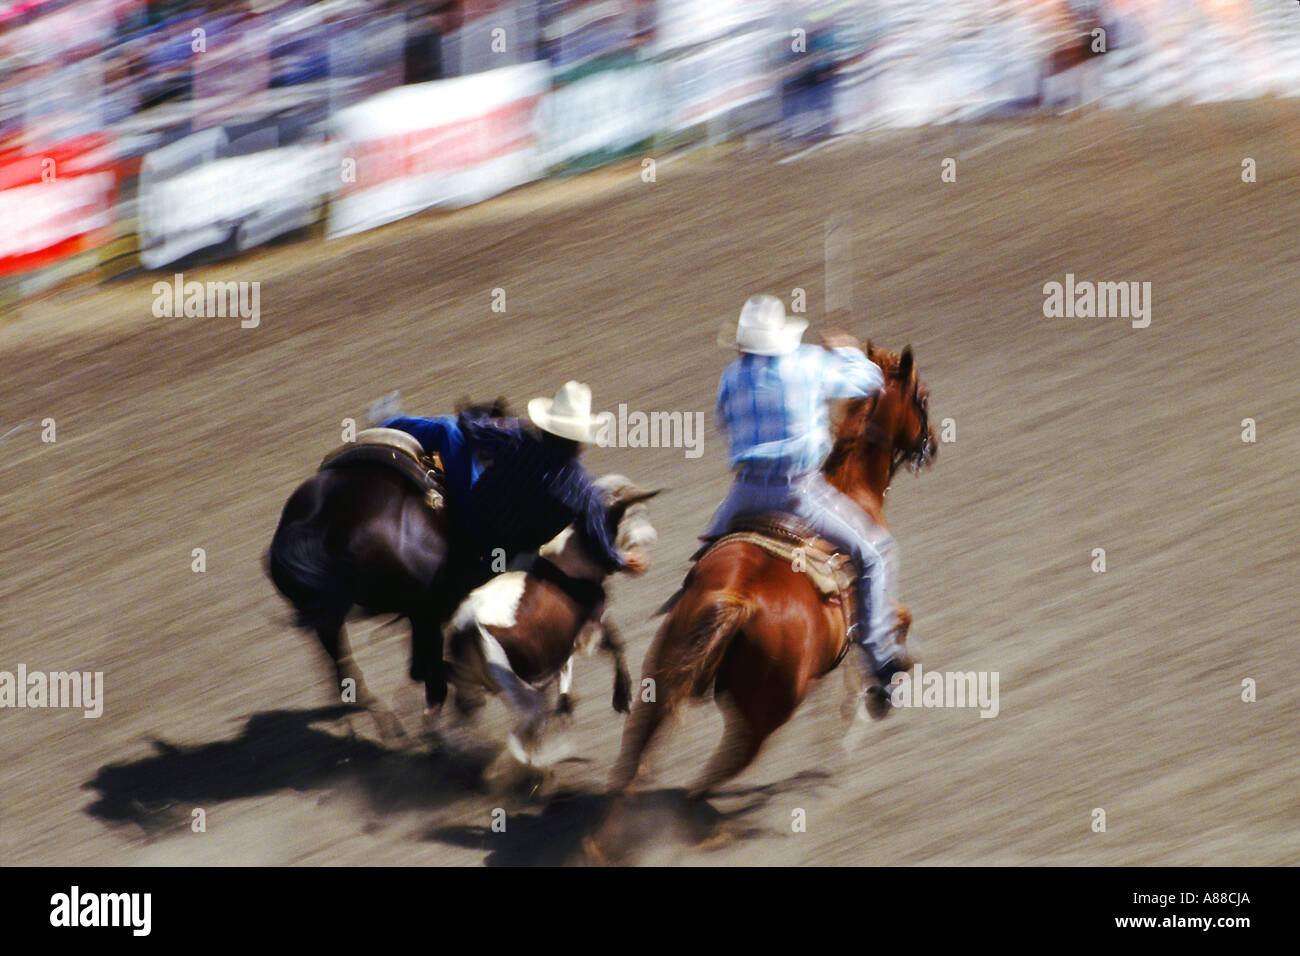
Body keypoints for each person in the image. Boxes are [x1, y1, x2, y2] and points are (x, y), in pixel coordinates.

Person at [709, 294, 911, 696]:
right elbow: (870, 382)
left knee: (704, 555)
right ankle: (880, 656)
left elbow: (723, 420)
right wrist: (849, 351)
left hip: (743, 493)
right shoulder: (806, 363)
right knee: (875, 552)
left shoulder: (731, 376)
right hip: (796, 492)